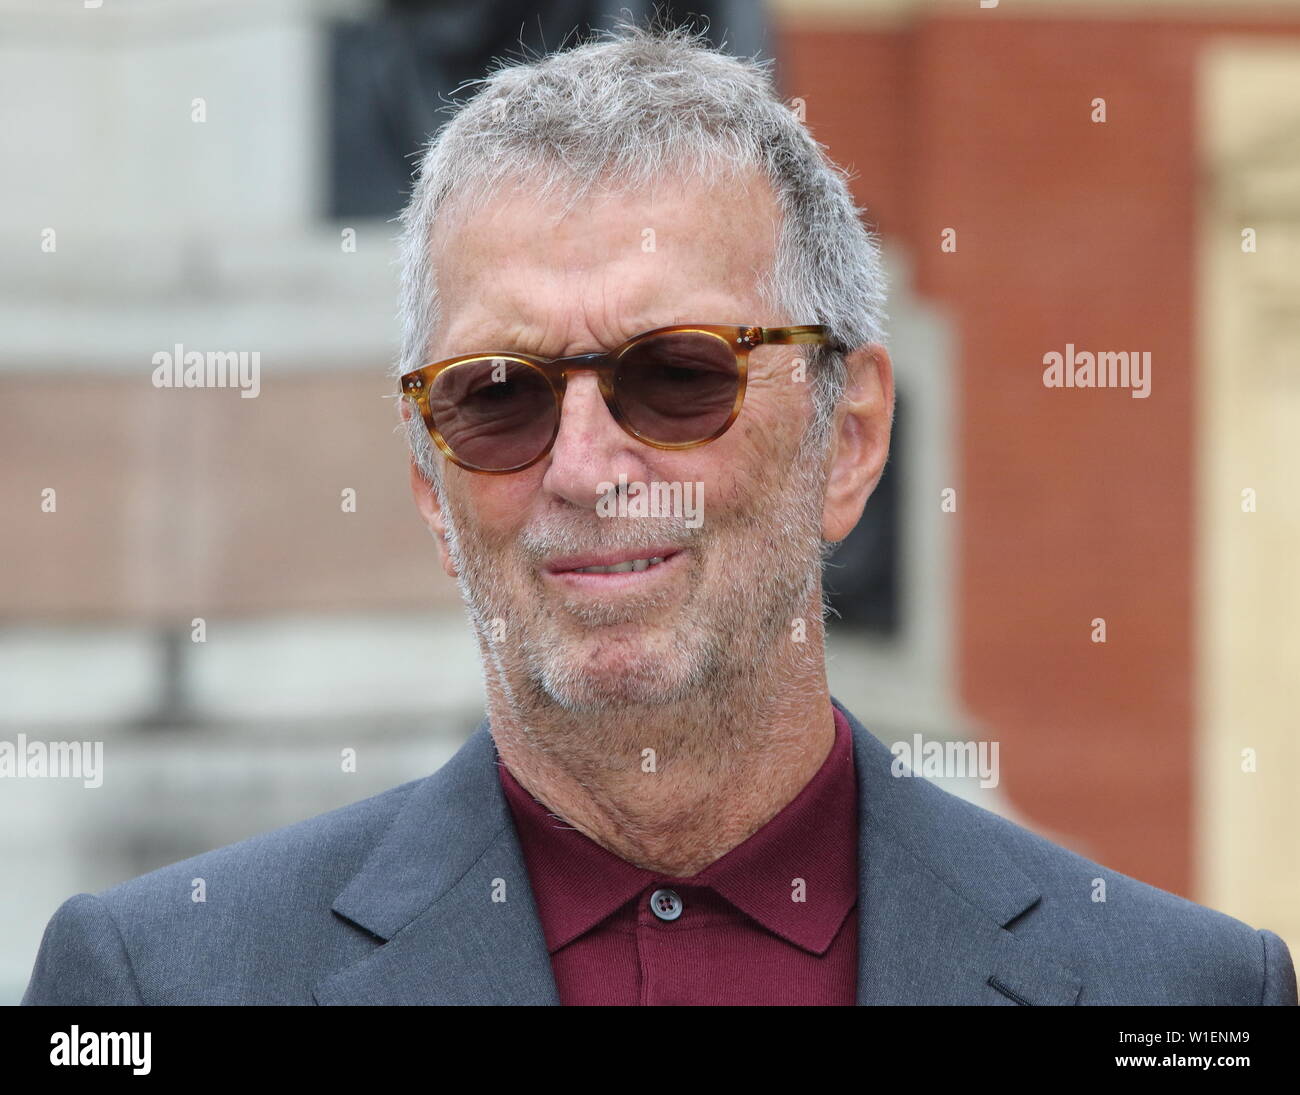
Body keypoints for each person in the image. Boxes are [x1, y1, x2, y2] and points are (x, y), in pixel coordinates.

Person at [22, 21, 1295, 1007]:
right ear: (428, 482)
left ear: (847, 439)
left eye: (676, 375)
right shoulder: (163, 981)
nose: (584, 466)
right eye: (498, 396)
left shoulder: (1172, 994)